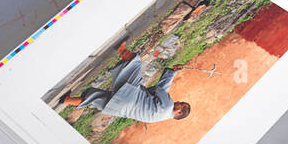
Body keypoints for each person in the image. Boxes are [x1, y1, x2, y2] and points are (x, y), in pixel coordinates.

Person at [64, 48, 192, 124]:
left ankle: (121, 48)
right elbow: (158, 92)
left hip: (129, 95)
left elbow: (160, 89)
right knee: (92, 99)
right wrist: (172, 72)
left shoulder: (168, 106)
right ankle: (67, 100)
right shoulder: (158, 118)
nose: (179, 101)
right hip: (119, 109)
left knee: (134, 63)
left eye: (181, 104)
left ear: (179, 112)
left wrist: (173, 71)